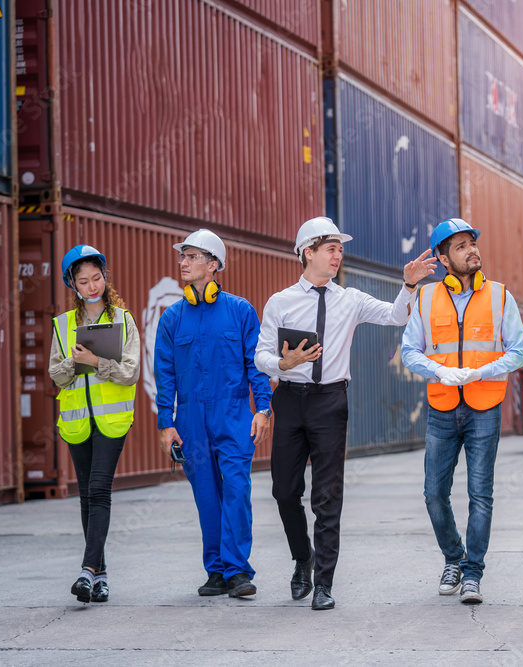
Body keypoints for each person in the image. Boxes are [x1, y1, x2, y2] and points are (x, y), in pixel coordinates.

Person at [256, 216, 436, 610]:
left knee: (327, 495)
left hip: (330, 402)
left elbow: (396, 315)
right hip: (289, 398)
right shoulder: (280, 302)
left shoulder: (350, 299)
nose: (338, 255)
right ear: (308, 252)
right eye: (330, 248)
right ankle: (303, 556)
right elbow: (261, 355)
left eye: (340, 249)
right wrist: (283, 365)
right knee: (284, 491)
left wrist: (408, 285)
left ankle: (324, 582)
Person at [400, 219, 523, 605]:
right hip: (441, 407)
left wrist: (481, 371)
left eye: (472, 243)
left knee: (480, 494)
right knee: (434, 494)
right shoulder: (424, 298)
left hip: (484, 406)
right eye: (459, 246)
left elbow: (518, 352)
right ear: (443, 258)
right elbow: (409, 350)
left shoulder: (501, 296)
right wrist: (440, 370)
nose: (471, 250)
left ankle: (472, 573)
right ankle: (454, 557)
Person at [154, 229, 272, 599]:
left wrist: (263, 407)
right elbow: (165, 374)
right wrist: (166, 423)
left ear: (214, 264)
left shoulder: (240, 311)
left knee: (236, 490)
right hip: (191, 420)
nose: (183, 263)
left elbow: (256, 365)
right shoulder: (173, 318)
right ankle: (216, 571)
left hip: (233, 414)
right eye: (182, 256)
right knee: (207, 495)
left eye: (191, 256)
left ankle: (238, 570)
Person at [49, 245, 141, 604]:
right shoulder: (62, 324)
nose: (92, 286)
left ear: (105, 277)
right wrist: (76, 363)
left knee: (100, 489)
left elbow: (130, 373)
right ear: (72, 284)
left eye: (97, 278)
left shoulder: (123, 319)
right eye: (83, 281)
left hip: (112, 419)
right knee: (87, 495)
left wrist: (96, 360)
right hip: (76, 421)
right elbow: (56, 375)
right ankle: (100, 577)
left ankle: (86, 570)